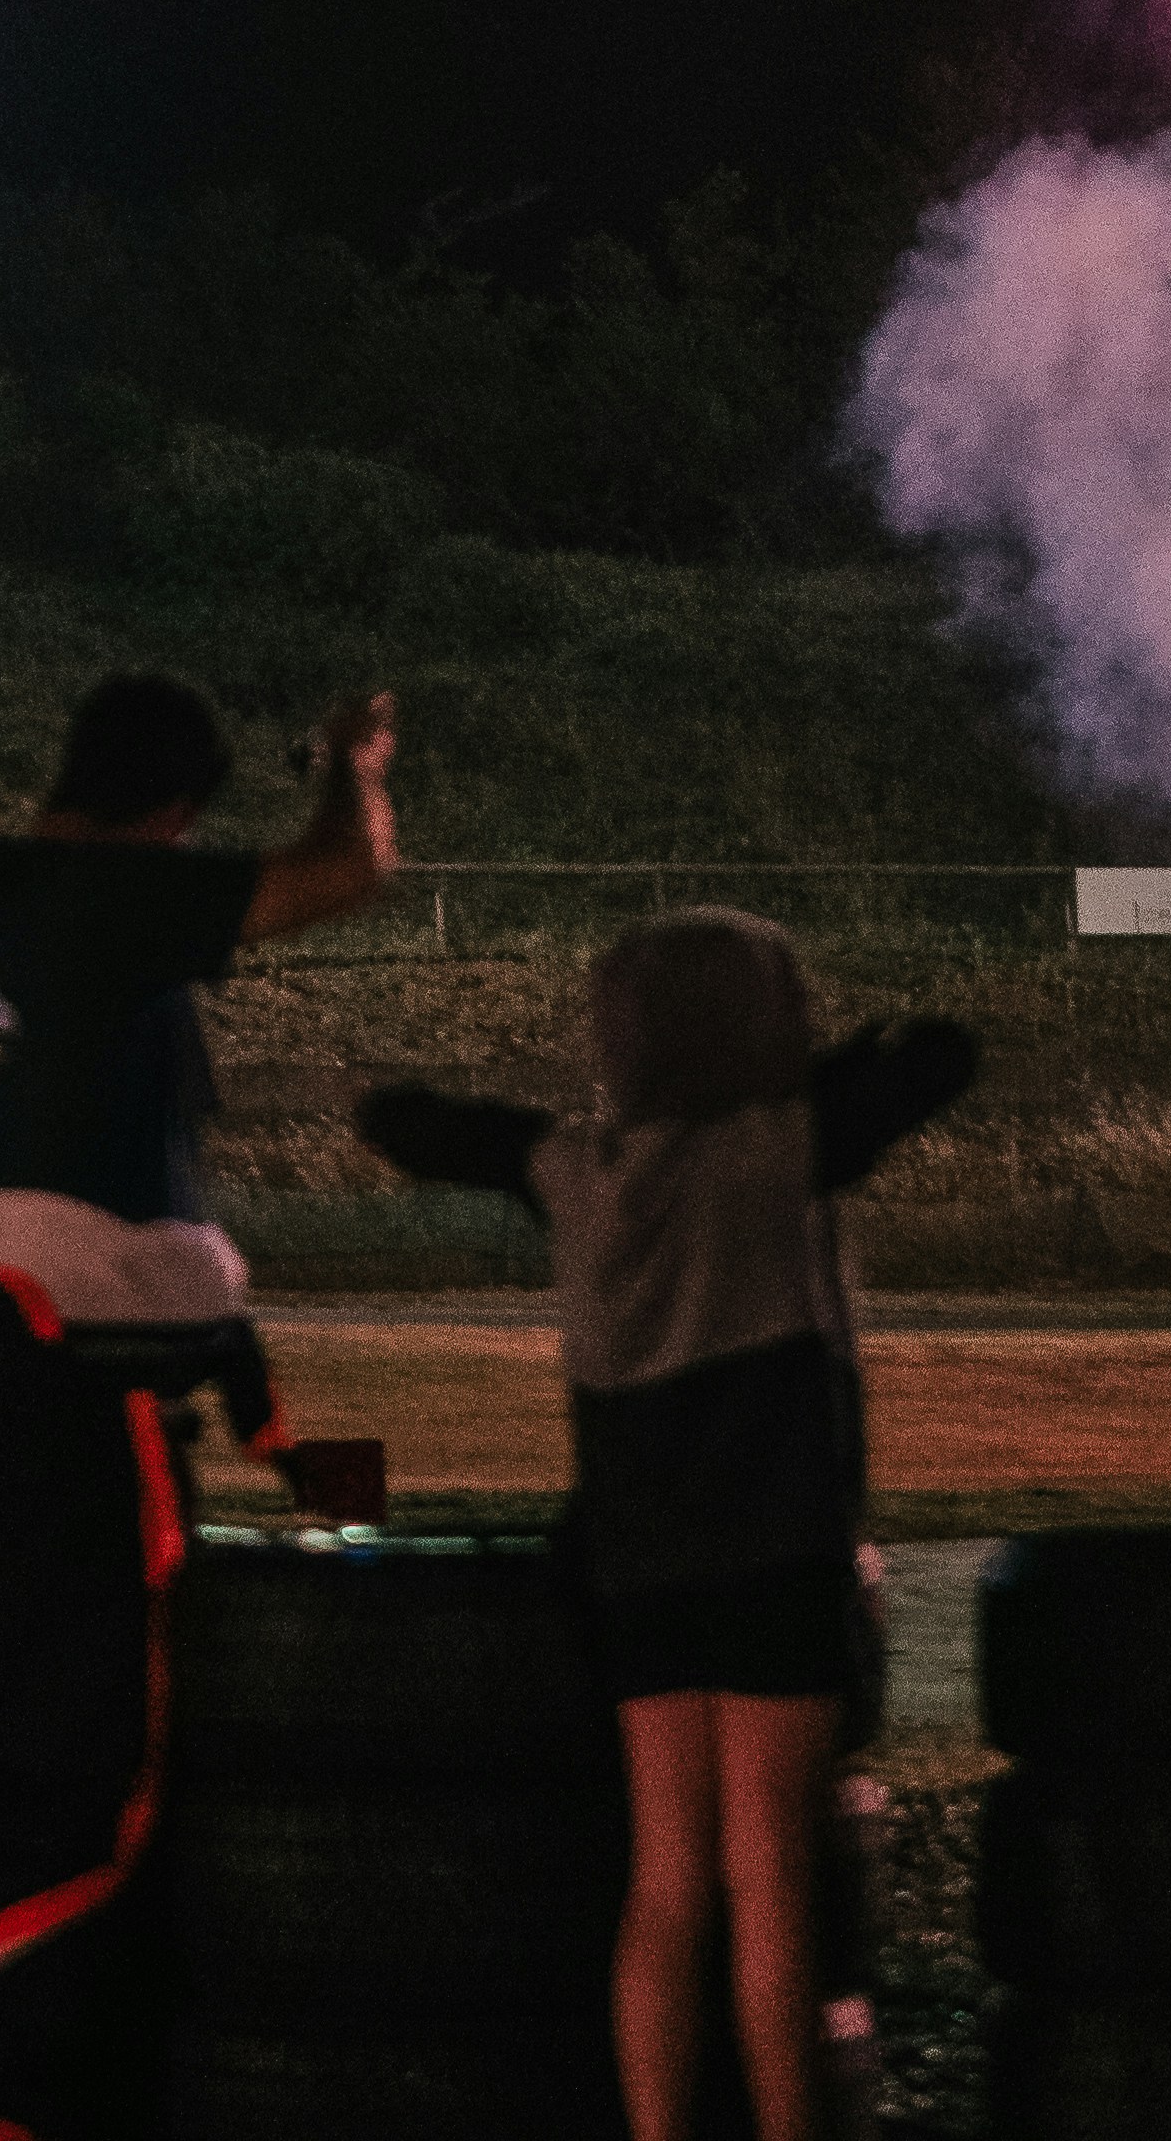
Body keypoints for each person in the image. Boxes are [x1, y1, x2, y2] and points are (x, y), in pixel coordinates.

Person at [0, 665, 401, 2141]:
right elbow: (343, 873)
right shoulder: (99, 906)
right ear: (168, 815)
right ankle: (22, 2107)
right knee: (98, 1769)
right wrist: (353, 761)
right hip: (77, 1419)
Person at [358, 912, 975, 2141]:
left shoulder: (575, 1169)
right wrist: (823, 1060)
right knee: (773, 1882)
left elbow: (406, 1121)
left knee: (666, 1879)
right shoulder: (783, 1148)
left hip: (635, 1570)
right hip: (775, 1552)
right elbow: (941, 1054)